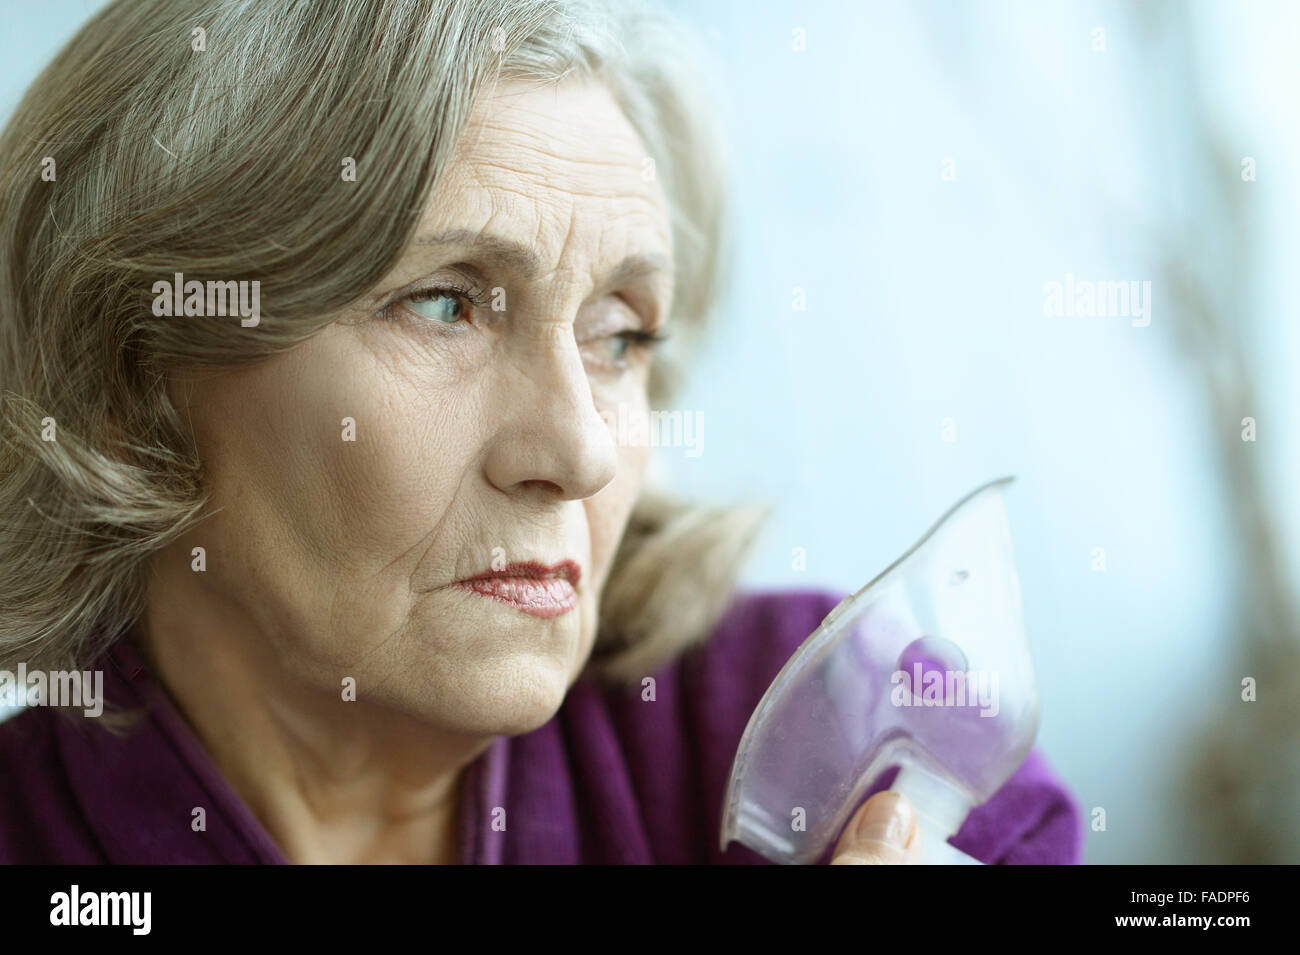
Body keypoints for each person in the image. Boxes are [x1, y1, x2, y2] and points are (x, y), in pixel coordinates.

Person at [0, 0, 1082, 865]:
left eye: (620, 335)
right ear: (122, 383)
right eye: (442, 303)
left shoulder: (832, 735)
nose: (580, 452)